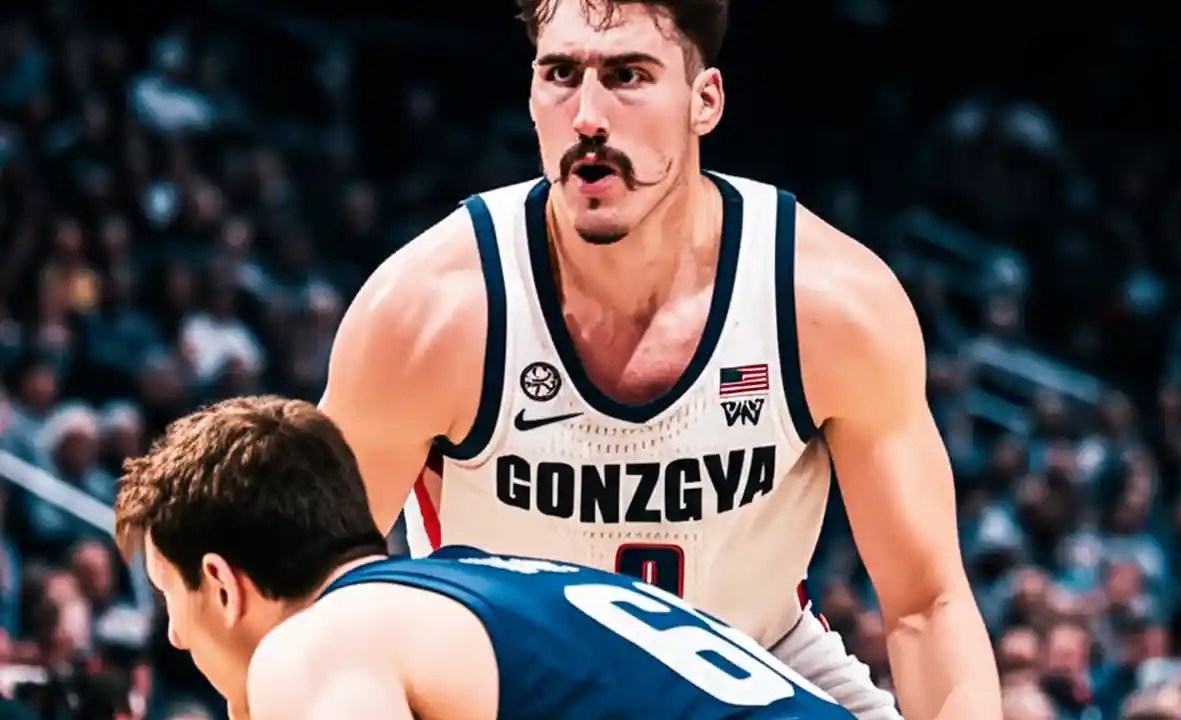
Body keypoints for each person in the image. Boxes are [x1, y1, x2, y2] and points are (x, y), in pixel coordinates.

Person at [318, 0, 999, 716]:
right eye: (560, 74)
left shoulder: (827, 302)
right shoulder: (428, 310)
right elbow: (299, 593)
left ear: (704, 100)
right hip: (511, 688)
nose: (587, 115)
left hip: (758, 666)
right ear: (530, 96)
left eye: (627, 75)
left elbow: (926, 604)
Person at [112, 396, 851, 719]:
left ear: (220, 583)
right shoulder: (480, 588)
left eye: (167, 598)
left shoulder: (315, 644)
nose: (174, 635)